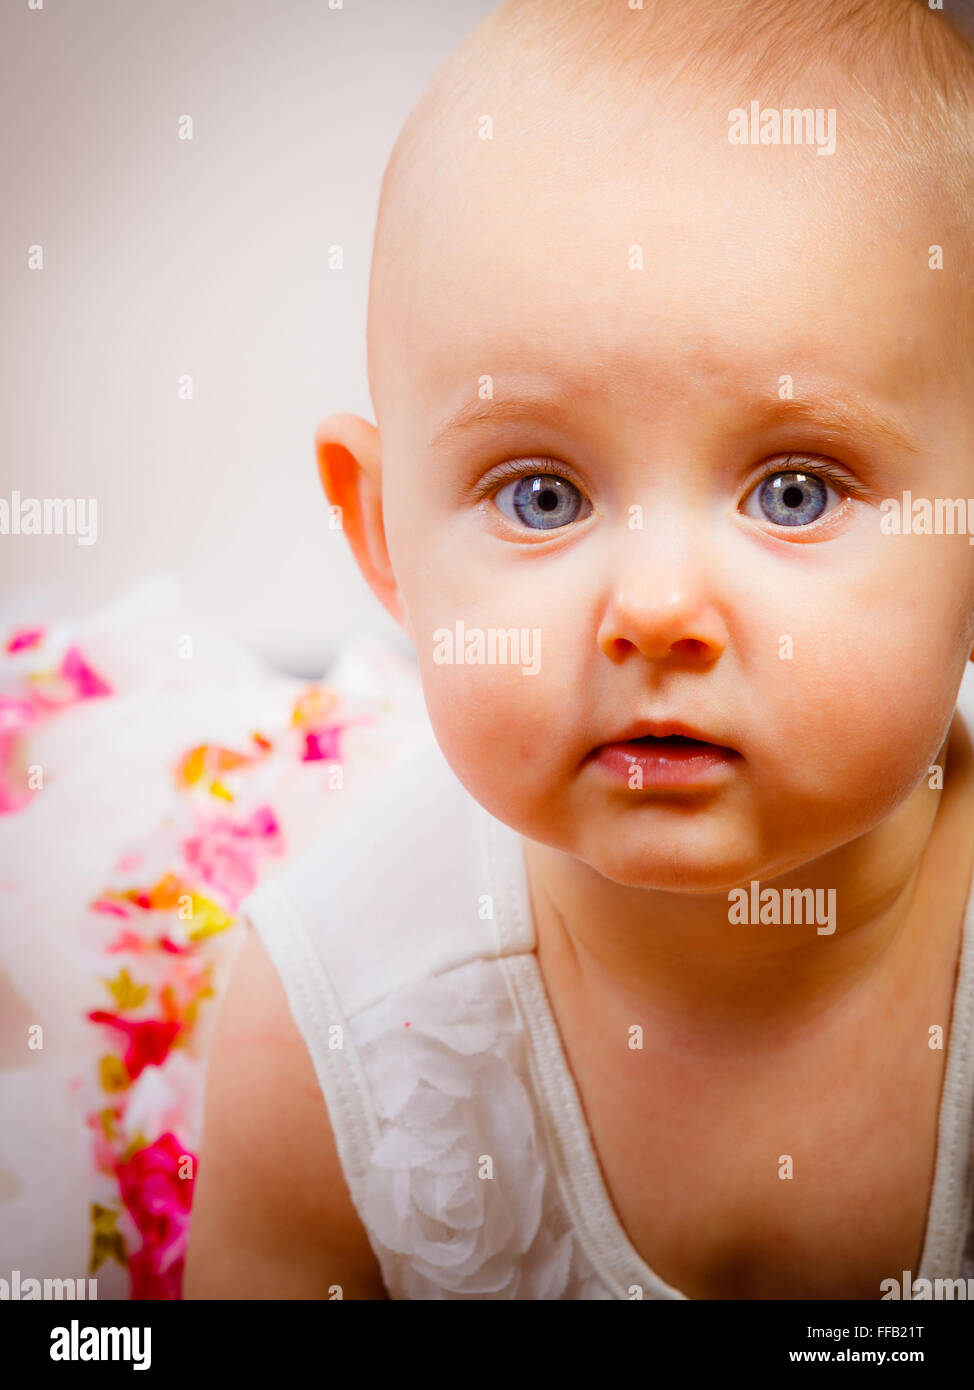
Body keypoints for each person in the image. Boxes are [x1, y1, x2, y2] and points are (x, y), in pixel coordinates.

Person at [183, 0, 974, 1300]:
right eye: (540, 494)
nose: (654, 607)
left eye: (793, 490)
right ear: (383, 538)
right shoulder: (331, 1017)